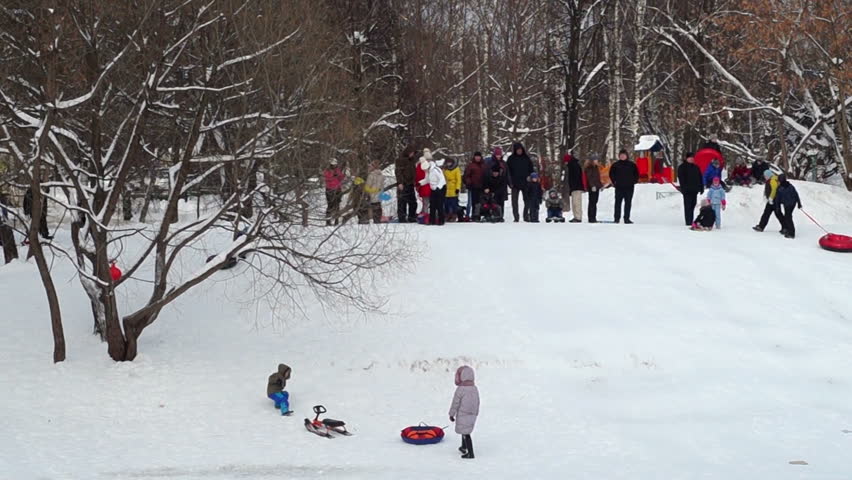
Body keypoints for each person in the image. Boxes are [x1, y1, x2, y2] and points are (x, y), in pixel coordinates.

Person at [449, 365, 480, 459]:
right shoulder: (474, 388)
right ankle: (464, 447)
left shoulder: (461, 389)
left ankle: (470, 453)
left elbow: (455, 403)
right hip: (473, 413)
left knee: (466, 433)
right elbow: (478, 401)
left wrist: (451, 414)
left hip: (463, 413)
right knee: (465, 429)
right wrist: (476, 412)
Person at [609, 149, 639, 224]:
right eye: (621, 155)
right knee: (617, 203)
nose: (622, 156)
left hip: (629, 187)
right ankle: (616, 218)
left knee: (628, 203)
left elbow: (636, 174)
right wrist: (614, 182)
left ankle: (627, 218)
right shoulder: (615, 165)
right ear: (619, 156)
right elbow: (611, 174)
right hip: (619, 187)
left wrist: (633, 181)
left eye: (624, 155)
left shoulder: (632, 165)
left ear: (626, 156)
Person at [507, 143, 535, 222]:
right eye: (518, 150)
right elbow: (508, 172)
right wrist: (510, 183)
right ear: (515, 150)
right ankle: (516, 217)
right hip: (514, 184)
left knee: (527, 201)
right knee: (514, 202)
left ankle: (526, 216)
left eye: (520, 149)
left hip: (526, 183)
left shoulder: (526, 158)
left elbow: (531, 170)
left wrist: (531, 177)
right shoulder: (511, 159)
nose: (519, 151)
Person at [677, 152, 704, 226]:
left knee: (693, 204)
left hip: (694, 190)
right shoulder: (682, 167)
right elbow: (681, 179)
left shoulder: (696, 167)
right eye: (690, 157)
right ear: (686, 158)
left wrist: (701, 188)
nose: (692, 159)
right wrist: (683, 188)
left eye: (693, 157)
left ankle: (690, 219)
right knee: (687, 206)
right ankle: (688, 222)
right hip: (687, 190)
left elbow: (700, 178)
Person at [395, 146, 418, 223]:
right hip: (403, 184)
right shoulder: (400, 160)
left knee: (413, 202)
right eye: (411, 153)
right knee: (402, 202)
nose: (412, 154)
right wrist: (400, 182)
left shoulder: (412, 160)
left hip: (410, 183)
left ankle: (412, 217)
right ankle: (402, 218)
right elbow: (398, 172)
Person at [775, 175, 802, 239]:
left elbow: (777, 199)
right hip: (792, 203)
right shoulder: (790, 186)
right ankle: (787, 230)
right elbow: (796, 194)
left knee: (788, 217)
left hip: (788, 204)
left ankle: (791, 233)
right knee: (788, 216)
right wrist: (799, 203)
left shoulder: (779, 188)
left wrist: (777, 207)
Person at [463, 152, 487, 221]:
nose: (478, 158)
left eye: (479, 156)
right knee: (473, 202)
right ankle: (474, 215)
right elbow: (466, 176)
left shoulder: (484, 165)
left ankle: (480, 215)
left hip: (482, 187)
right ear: (474, 157)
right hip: (473, 186)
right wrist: (469, 182)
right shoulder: (470, 165)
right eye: (476, 156)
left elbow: (486, 175)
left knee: (481, 202)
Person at [322, 159, 345, 226]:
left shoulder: (337, 170)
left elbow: (340, 178)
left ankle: (336, 220)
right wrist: (333, 175)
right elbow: (327, 178)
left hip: (337, 189)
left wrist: (343, 175)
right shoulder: (327, 170)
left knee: (337, 205)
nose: (334, 166)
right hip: (330, 189)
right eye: (333, 165)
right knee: (330, 205)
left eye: (335, 164)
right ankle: (328, 221)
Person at [426, 157, 448, 225]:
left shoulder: (436, 170)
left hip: (440, 188)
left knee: (439, 205)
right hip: (433, 189)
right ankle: (432, 220)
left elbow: (442, 179)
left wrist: (438, 188)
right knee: (432, 205)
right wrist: (420, 183)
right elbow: (427, 180)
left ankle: (441, 220)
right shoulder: (428, 172)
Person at [564, 153, 585, 222]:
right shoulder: (572, 165)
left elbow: (575, 177)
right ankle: (576, 216)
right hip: (574, 187)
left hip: (577, 187)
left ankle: (578, 217)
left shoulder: (574, 165)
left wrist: (573, 186)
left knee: (577, 202)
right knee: (574, 202)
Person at [416, 149, 434, 222]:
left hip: (423, 187)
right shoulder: (430, 166)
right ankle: (426, 216)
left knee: (425, 202)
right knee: (428, 203)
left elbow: (418, 177)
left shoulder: (420, 166)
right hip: (429, 187)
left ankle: (425, 214)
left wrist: (418, 184)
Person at [584, 155, 603, 223]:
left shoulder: (596, 167)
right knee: (592, 202)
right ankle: (591, 218)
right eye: (596, 160)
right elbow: (590, 178)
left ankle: (593, 217)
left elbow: (597, 178)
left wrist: (600, 185)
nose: (597, 161)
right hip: (592, 187)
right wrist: (592, 186)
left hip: (596, 186)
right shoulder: (589, 168)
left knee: (594, 202)